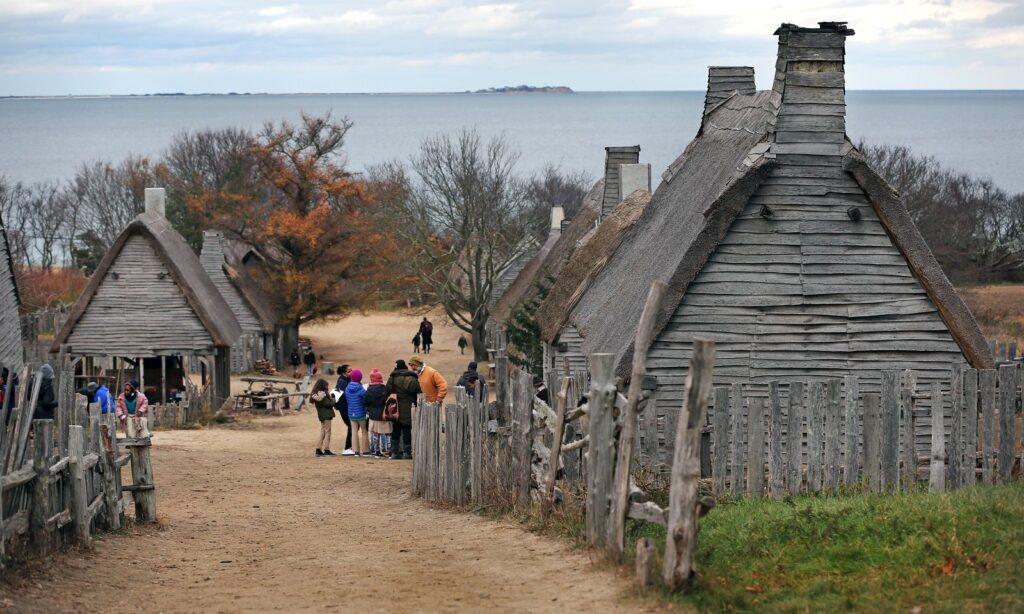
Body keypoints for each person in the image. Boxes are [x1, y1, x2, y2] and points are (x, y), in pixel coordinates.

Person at [386, 359, 421, 460]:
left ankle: (395, 452)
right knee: (407, 430)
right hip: (409, 407)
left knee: (395, 430)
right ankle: (407, 453)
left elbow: (387, 392)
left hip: (395, 408)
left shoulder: (392, 378)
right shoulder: (412, 378)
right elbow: (418, 393)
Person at [364, 369, 391, 457]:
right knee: (387, 432)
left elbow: (365, 402)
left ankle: (377, 451)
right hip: (384, 414)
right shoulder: (385, 388)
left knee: (376, 433)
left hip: (373, 415)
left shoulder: (369, 390)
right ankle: (389, 450)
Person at [344, 369, 370, 457]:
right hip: (361, 412)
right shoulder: (361, 388)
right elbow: (365, 398)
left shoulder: (347, 388)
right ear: (360, 378)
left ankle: (356, 451)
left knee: (354, 431)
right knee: (364, 431)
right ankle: (366, 451)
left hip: (351, 412)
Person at [310, 379, 336, 457]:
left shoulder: (316, 395)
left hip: (321, 416)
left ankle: (318, 449)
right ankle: (326, 449)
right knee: (328, 432)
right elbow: (330, 404)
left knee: (323, 432)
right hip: (327, 416)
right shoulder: (323, 395)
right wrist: (333, 398)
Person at [334, 364, 355, 456]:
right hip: (344, 408)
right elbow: (342, 396)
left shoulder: (347, 380)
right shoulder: (342, 381)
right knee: (352, 426)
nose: (351, 372)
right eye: (349, 371)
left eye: (352, 370)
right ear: (344, 373)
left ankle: (349, 447)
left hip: (348, 407)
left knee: (352, 426)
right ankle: (347, 448)